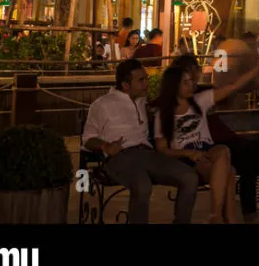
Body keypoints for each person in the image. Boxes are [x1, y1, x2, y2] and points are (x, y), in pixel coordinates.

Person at [81, 59, 199, 224]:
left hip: (147, 153)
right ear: (125, 85)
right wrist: (105, 146)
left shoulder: (142, 100)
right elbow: (87, 139)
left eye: (146, 79)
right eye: (141, 80)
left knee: (189, 177)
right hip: (119, 157)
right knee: (142, 185)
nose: (146, 83)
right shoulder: (102, 105)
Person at [153, 57, 259, 223]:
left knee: (223, 151)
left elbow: (233, 87)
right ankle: (227, 219)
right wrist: (189, 153)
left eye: (191, 80)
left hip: (208, 150)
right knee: (230, 173)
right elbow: (162, 149)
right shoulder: (163, 114)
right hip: (186, 157)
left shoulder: (199, 101)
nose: (191, 84)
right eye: (185, 82)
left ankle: (215, 216)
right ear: (173, 86)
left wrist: (258, 67)